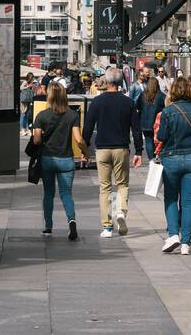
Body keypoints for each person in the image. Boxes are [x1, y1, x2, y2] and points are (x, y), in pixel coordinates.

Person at [155, 77, 191, 255]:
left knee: (171, 198)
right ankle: (186, 243)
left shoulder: (168, 111)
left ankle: (173, 235)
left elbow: (162, 137)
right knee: (188, 202)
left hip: (171, 159)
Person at [83, 67, 141, 238]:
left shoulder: (97, 102)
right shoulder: (128, 102)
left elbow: (87, 127)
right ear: (120, 82)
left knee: (105, 187)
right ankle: (121, 211)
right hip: (121, 149)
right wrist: (138, 150)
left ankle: (107, 227)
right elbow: (136, 129)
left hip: (102, 149)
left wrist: (85, 149)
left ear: (107, 82)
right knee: (122, 184)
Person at [31, 83, 88, 240]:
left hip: (48, 159)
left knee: (48, 194)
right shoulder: (72, 115)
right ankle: (72, 223)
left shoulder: (41, 116)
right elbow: (78, 139)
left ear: (49, 96)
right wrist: (86, 152)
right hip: (66, 160)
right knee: (66, 194)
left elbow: (36, 140)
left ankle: (48, 228)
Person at [134, 73, 165, 167]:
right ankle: (156, 157)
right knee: (157, 140)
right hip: (157, 123)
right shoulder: (161, 96)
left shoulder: (143, 95)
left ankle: (151, 160)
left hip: (144, 123)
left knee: (148, 141)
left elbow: (137, 106)